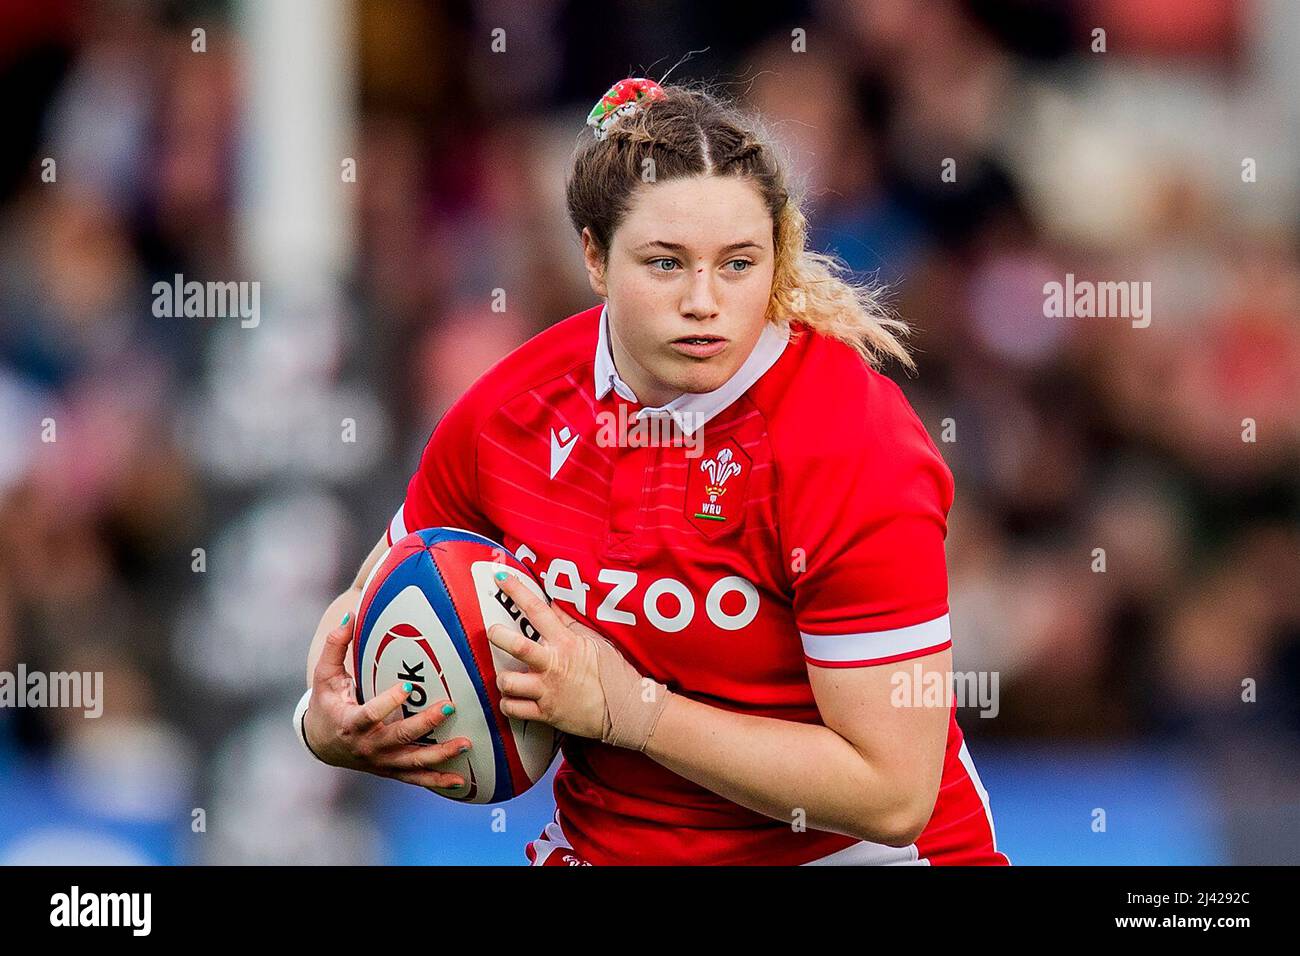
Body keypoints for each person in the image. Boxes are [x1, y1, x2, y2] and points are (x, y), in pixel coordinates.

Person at [297, 77, 1009, 865]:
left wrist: (628, 710)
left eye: (739, 264)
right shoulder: (509, 411)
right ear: (595, 258)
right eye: (666, 264)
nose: (705, 302)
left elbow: (893, 794)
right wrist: (324, 719)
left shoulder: (849, 441)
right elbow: (374, 601)